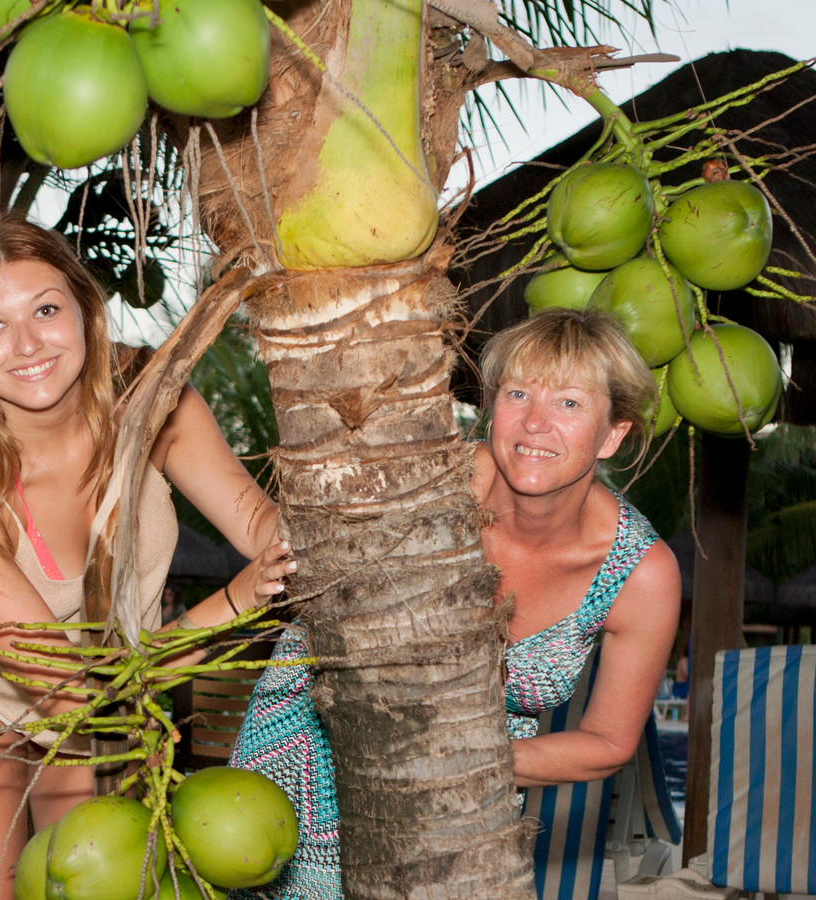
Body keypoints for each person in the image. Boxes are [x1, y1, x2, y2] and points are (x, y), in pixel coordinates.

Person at [0, 215, 293, 900]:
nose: (26, 344)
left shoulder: (153, 400)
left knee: (96, 886)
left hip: (111, 670)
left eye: (46, 309)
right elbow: (71, 691)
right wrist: (236, 600)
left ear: (85, 307)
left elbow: (267, 530)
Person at [228, 308, 681, 898]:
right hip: (307, 737)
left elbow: (607, 744)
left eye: (570, 403)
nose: (536, 423)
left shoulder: (640, 573)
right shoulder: (440, 480)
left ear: (613, 433)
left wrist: (464, 758)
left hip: (460, 799)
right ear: (492, 406)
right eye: (518, 393)